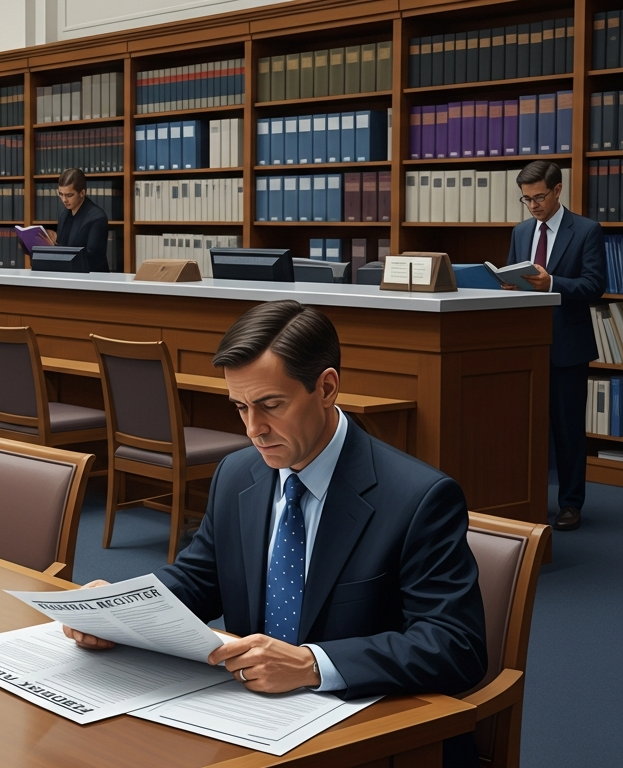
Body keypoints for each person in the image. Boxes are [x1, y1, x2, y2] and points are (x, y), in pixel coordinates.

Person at [63, 301, 486, 762]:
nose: (253, 429)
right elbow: (200, 579)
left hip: (365, 731)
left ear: (326, 387)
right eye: (240, 407)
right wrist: (119, 609)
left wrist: (310, 664)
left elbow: (455, 645)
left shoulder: (418, 498)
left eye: (270, 405)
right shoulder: (237, 474)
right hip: (248, 722)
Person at [501, 160, 606, 531]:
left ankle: (570, 504)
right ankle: (526, 500)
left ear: (557, 190)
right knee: (524, 427)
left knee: (567, 429)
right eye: (526, 199)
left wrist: (552, 283)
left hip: (567, 345)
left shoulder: (587, 231)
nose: (533, 205)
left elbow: (594, 286)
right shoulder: (520, 232)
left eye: (539, 197)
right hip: (525, 347)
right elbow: (514, 279)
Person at [43, 168, 110, 272]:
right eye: (61, 194)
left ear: (82, 193)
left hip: (91, 278)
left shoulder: (97, 217)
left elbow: (93, 257)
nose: (64, 200)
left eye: (69, 195)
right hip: (69, 274)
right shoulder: (64, 214)